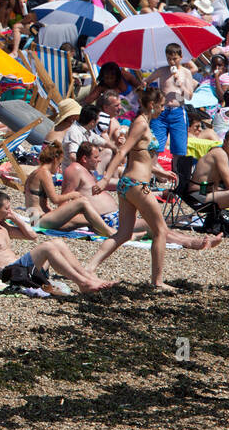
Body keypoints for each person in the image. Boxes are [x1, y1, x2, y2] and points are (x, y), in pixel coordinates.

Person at [85, 90, 219, 290]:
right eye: (162, 105)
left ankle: (89, 268)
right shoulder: (140, 123)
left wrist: (160, 172)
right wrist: (105, 179)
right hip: (136, 185)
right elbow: (123, 151)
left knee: (123, 234)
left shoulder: (143, 123)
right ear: (152, 105)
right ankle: (157, 281)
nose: (164, 109)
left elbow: (141, 157)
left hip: (130, 184)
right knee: (160, 231)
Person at [0, 191, 115, 295]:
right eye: (7, 209)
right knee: (48, 246)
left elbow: (32, 236)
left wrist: (15, 218)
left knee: (58, 242)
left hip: (19, 271)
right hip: (4, 275)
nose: (9, 211)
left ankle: (88, 278)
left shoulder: (2, 226)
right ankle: (83, 282)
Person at [144, 43, 196, 157]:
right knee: (155, 145)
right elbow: (145, 81)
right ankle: (154, 171)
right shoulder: (162, 71)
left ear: (181, 57)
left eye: (174, 59)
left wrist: (180, 84)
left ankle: (176, 172)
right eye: (169, 59)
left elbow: (189, 96)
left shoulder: (186, 72)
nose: (172, 62)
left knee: (179, 149)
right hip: (161, 111)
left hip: (177, 111)